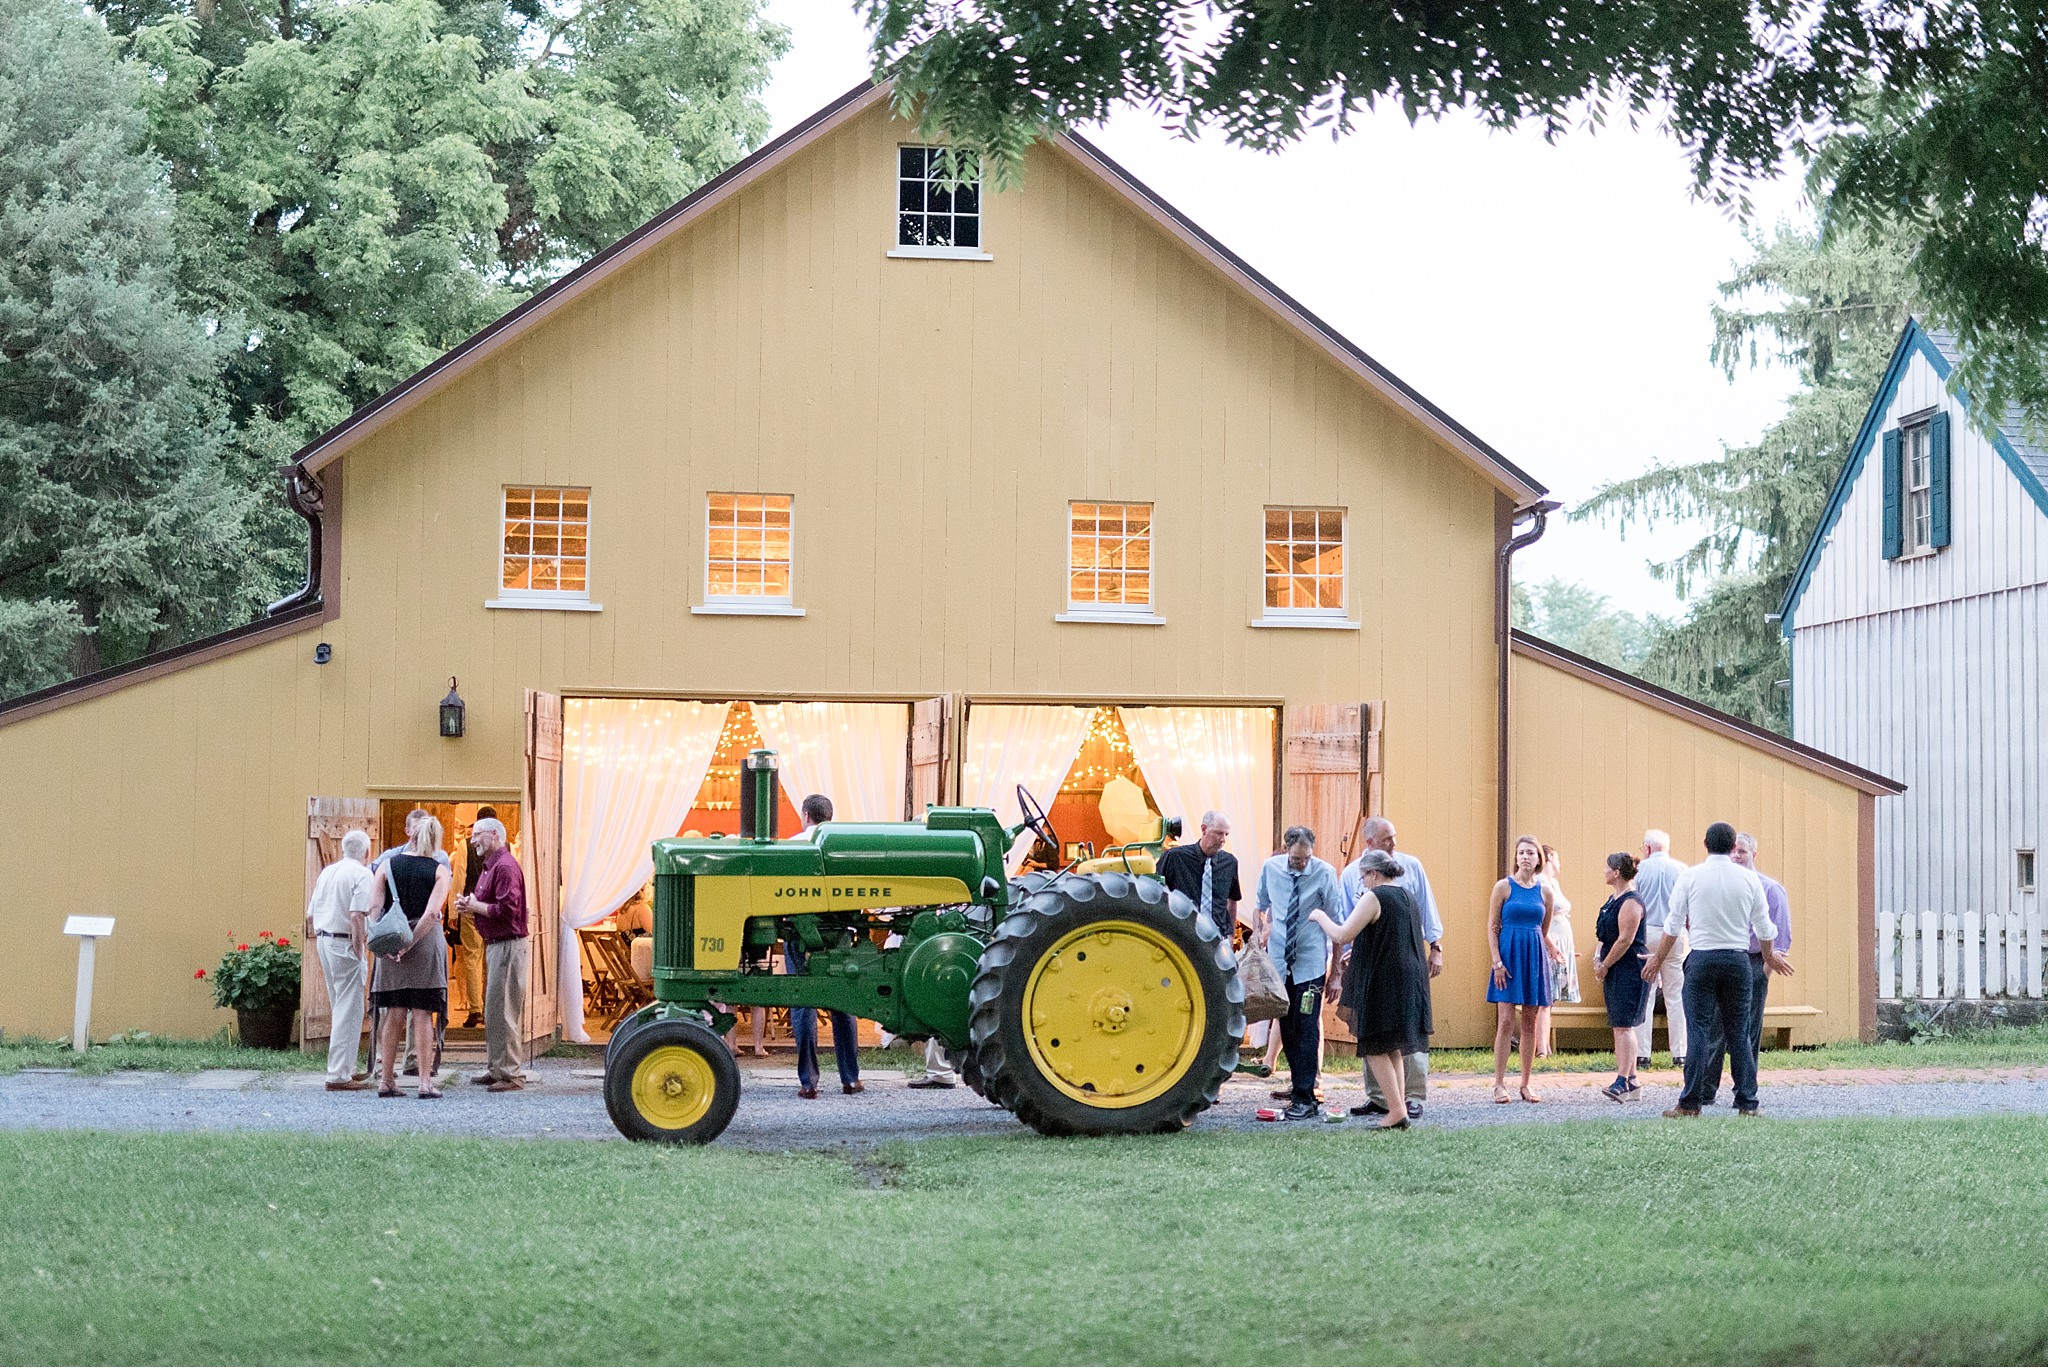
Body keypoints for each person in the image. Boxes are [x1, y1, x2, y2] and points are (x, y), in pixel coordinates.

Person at [1645, 822, 1792, 1117]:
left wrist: (1658, 959)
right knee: (1740, 1033)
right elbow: (1765, 927)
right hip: (1738, 960)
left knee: (1698, 1032)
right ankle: (1747, 1103)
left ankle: (1690, 1103)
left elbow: (1673, 925)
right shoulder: (1748, 880)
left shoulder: (1691, 876)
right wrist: (1768, 956)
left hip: (1701, 958)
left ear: (1705, 843)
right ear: (1733, 844)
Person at [1311, 849, 1430, 1130]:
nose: (1363, 882)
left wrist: (1319, 916)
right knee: (1392, 1046)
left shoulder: (1375, 896)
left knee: (1374, 1044)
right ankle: (1397, 1106)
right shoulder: (1406, 896)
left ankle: (1397, 1111)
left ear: (1374, 873)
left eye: (1364, 876)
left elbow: (1342, 934)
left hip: (1385, 979)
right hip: (1409, 978)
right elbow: (1392, 935)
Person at [1340, 816, 1442, 1118]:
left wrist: (1436, 947)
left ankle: (1411, 1097)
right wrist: (1347, 954)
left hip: (1401, 958)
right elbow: (1348, 915)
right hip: (1370, 961)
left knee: (1404, 1030)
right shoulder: (1350, 875)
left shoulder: (1412, 867)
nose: (1394, 844)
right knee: (1375, 1031)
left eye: (1394, 837)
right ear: (1369, 842)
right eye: (1387, 839)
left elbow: (1426, 909)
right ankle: (1381, 1098)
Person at [1253, 826, 1345, 1121]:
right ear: (1286, 850)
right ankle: (1297, 1088)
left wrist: (1336, 972)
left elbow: (1336, 922)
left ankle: (1307, 1095)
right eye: (1295, 859)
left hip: (1310, 963)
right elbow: (1260, 906)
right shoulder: (1271, 869)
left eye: (1305, 859)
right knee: (1287, 1026)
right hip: (1280, 962)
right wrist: (1260, 930)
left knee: (1306, 1026)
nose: (1300, 864)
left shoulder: (1325, 873)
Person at [371, 815, 452, 1099]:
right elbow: (431, 914)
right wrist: (411, 942)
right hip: (425, 944)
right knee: (422, 1014)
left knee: (393, 1013)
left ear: (412, 836)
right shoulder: (440, 870)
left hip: (390, 942)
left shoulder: (387, 865)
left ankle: (386, 1080)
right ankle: (424, 1083)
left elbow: (374, 907)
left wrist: (391, 941)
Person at [789, 793, 863, 1099]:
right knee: (843, 1004)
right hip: (838, 932)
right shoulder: (845, 845)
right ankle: (850, 1078)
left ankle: (809, 1082)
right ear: (829, 816)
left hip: (801, 934)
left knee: (803, 1004)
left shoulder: (794, 844)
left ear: (806, 815)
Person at [457, 815, 531, 1092]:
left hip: (508, 945)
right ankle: (496, 1068)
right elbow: (489, 904)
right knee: (495, 1011)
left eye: (477, 835)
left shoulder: (504, 867)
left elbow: (508, 910)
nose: (472, 840)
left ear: (495, 836)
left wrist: (474, 907)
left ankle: (511, 1074)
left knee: (506, 1011)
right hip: (497, 945)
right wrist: (471, 904)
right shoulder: (491, 866)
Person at [1487, 834, 1557, 1104]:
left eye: (1531, 853)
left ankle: (1526, 1083)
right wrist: (1497, 962)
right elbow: (1493, 927)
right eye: (1521, 853)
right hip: (1507, 955)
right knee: (1505, 1021)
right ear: (1515, 857)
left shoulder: (1545, 891)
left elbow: (1544, 927)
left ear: (1539, 858)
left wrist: (1542, 949)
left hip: (1533, 956)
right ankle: (1499, 1083)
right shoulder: (1503, 887)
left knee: (1530, 1021)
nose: (1526, 857)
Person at [304, 829, 377, 1091]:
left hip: (325, 939)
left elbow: (311, 914)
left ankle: (343, 1067)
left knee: (341, 1006)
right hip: (345, 941)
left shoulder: (327, 872)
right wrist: (360, 950)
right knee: (350, 1008)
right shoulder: (362, 874)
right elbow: (358, 914)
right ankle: (337, 1074)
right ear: (366, 853)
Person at [1726, 831, 1794, 1071]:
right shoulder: (1722, 886)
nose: (1736, 856)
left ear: (1753, 854)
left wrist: (1764, 971)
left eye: (1742, 851)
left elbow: (1781, 937)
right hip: (1726, 957)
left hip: (1756, 959)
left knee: (1748, 1026)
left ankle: (1745, 1081)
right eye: (1733, 851)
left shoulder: (1770, 889)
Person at [1592, 852, 1649, 1101]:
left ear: (1616, 872)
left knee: (1624, 1025)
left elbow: (1625, 939)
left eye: (1607, 867)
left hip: (1629, 969)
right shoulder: (1612, 899)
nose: (1603, 870)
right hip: (1613, 966)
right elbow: (1604, 936)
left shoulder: (1631, 902)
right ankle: (1633, 1080)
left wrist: (1605, 964)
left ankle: (1622, 1080)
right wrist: (1597, 958)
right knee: (1619, 1025)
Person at [1633, 828, 1689, 1071]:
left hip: (1646, 932)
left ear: (1647, 848)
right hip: (1674, 933)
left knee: (1645, 993)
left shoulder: (1639, 871)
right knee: (1675, 995)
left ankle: (1642, 1053)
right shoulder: (1682, 870)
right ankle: (1680, 1053)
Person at [1157, 811, 1243, 948]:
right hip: (1183, 934)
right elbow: (1158, 894)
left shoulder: (1230, 863)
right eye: (1219, 833)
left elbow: (1232, 901)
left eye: (1226, 834)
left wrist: (1230, 935)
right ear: (1204, 829)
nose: (1223, 840)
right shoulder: (1175, 858)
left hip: (1218, 937)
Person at [1535, 844, 1580, 1056]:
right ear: (1550, 857)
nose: (1560, 863)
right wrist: (1552, 945)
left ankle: (1545, 1045)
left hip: (1562, 943)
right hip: (1549, 942)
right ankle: (1541, 1048)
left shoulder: (1554, 883)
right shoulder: (1541, 884)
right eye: (1557, 857)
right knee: (1545, 996)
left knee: (1551, 999)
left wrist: (1569, 949)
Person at [453, 805, 496, 1027]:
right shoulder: (505, 847)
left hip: (470, 906)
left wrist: (453, 910)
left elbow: (459, 877)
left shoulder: (465, 845)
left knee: (471, 958)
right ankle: (490, 1008)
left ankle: (475, 1009)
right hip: (493, 909)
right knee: (491, 958)